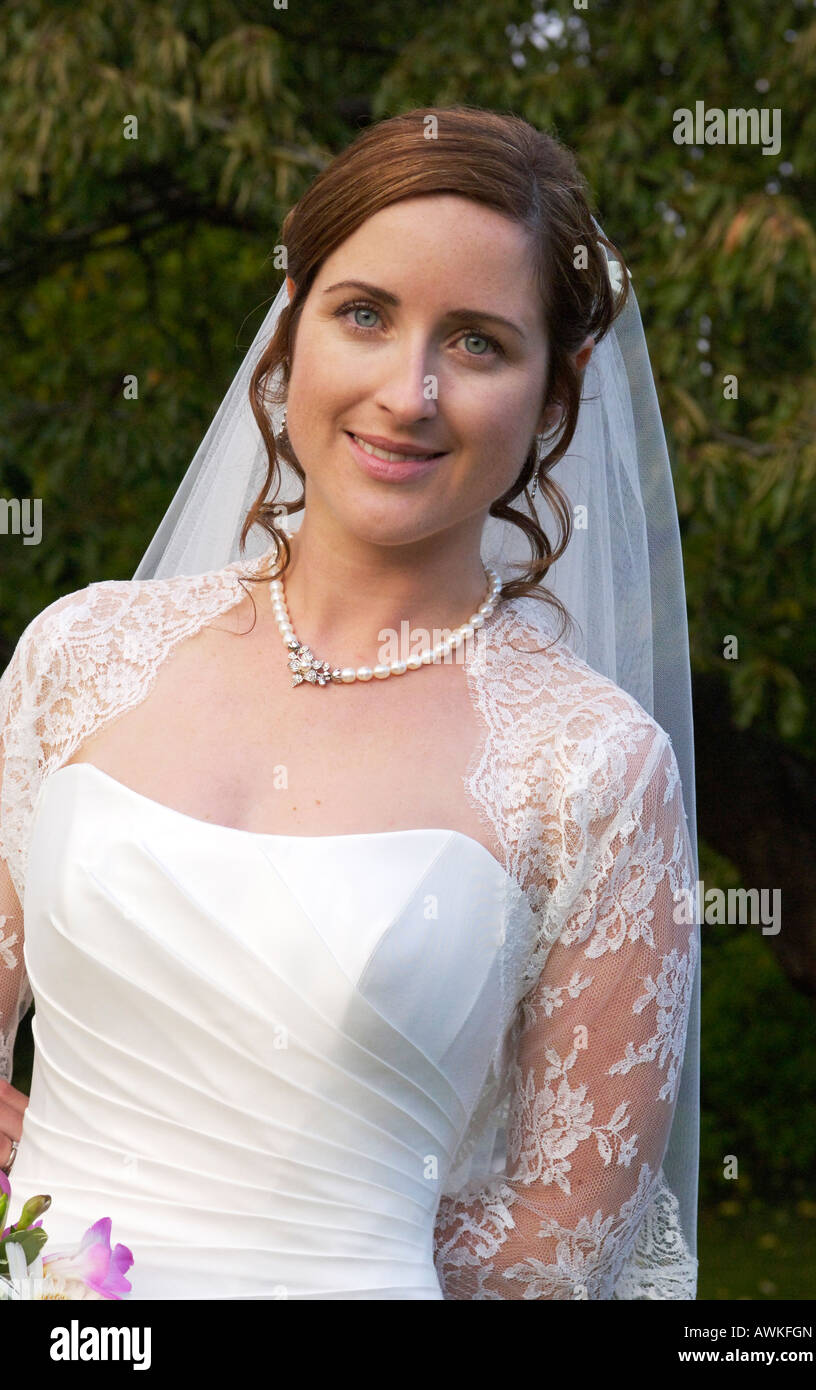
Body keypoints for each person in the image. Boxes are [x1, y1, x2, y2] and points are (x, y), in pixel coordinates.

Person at [0, 106, 699, 1299]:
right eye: (364, 314)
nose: (407, 390)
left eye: (477, 342)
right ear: (291, 332)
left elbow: (562, 1239)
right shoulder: (80, 651)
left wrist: (307, 1261)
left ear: (553, 395)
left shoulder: (590, 765)